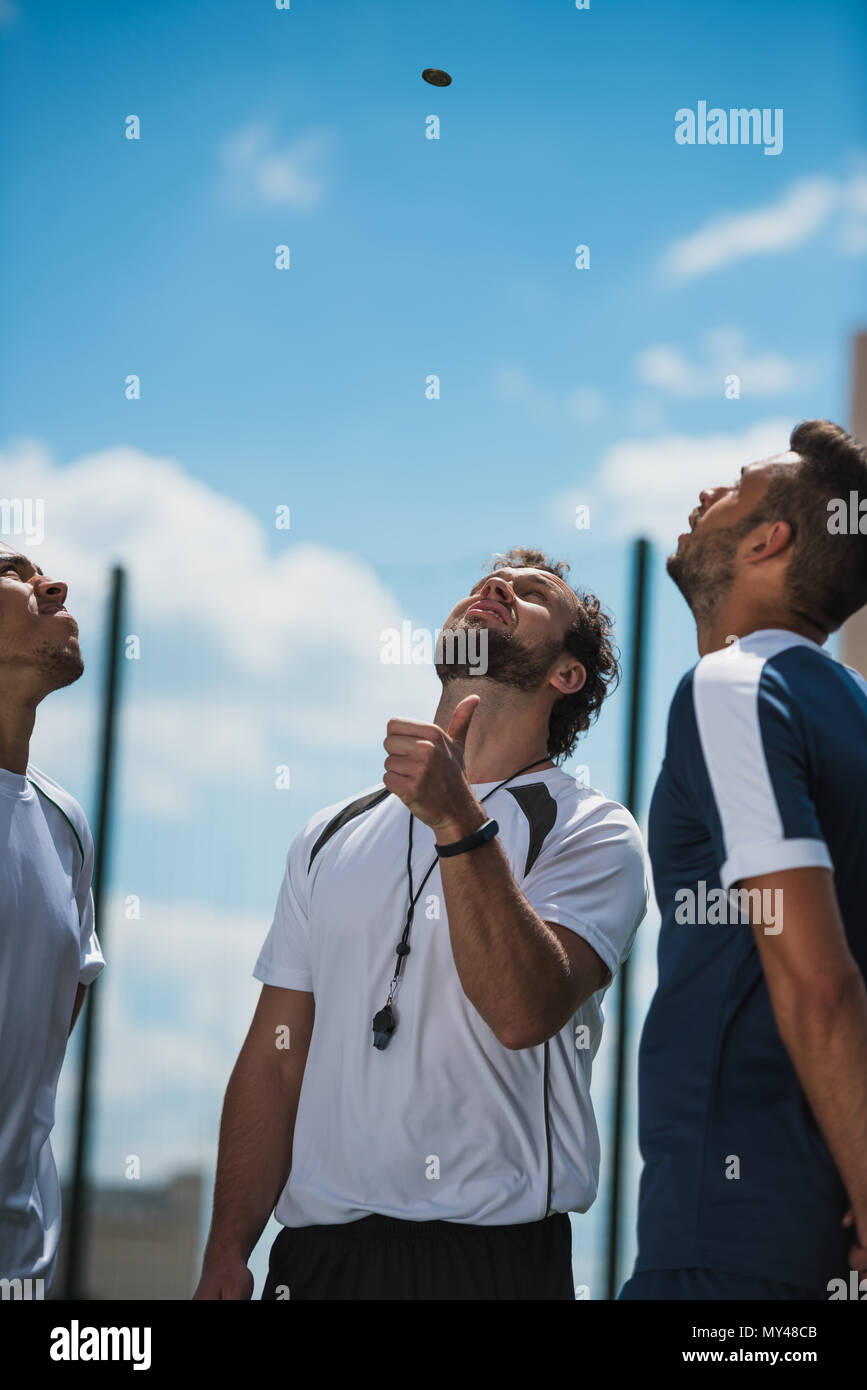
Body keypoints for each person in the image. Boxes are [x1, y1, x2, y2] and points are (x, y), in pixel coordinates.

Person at [195, 546, 647, 1301]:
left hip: (490, 1264)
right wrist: (225, 1250)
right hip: (317, 1264)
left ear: (566, 675)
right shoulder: (328, 831)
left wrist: (456, 819)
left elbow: (520, 1010)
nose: (495, 586)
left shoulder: (591, 828)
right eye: (482, 582)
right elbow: (276, 1059)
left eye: (532, 594)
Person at [620, 419, 867, 1302]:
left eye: (729, 488)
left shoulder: (733, 684)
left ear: (769, 540)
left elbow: (817, 979)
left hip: (736, 1245)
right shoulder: (850, 709)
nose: (701, 498)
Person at [0, 544, 104, 1295]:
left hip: (22, 1266)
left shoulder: (66, 820)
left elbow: (42, 1047)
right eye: (12, 572)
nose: (52, 585)